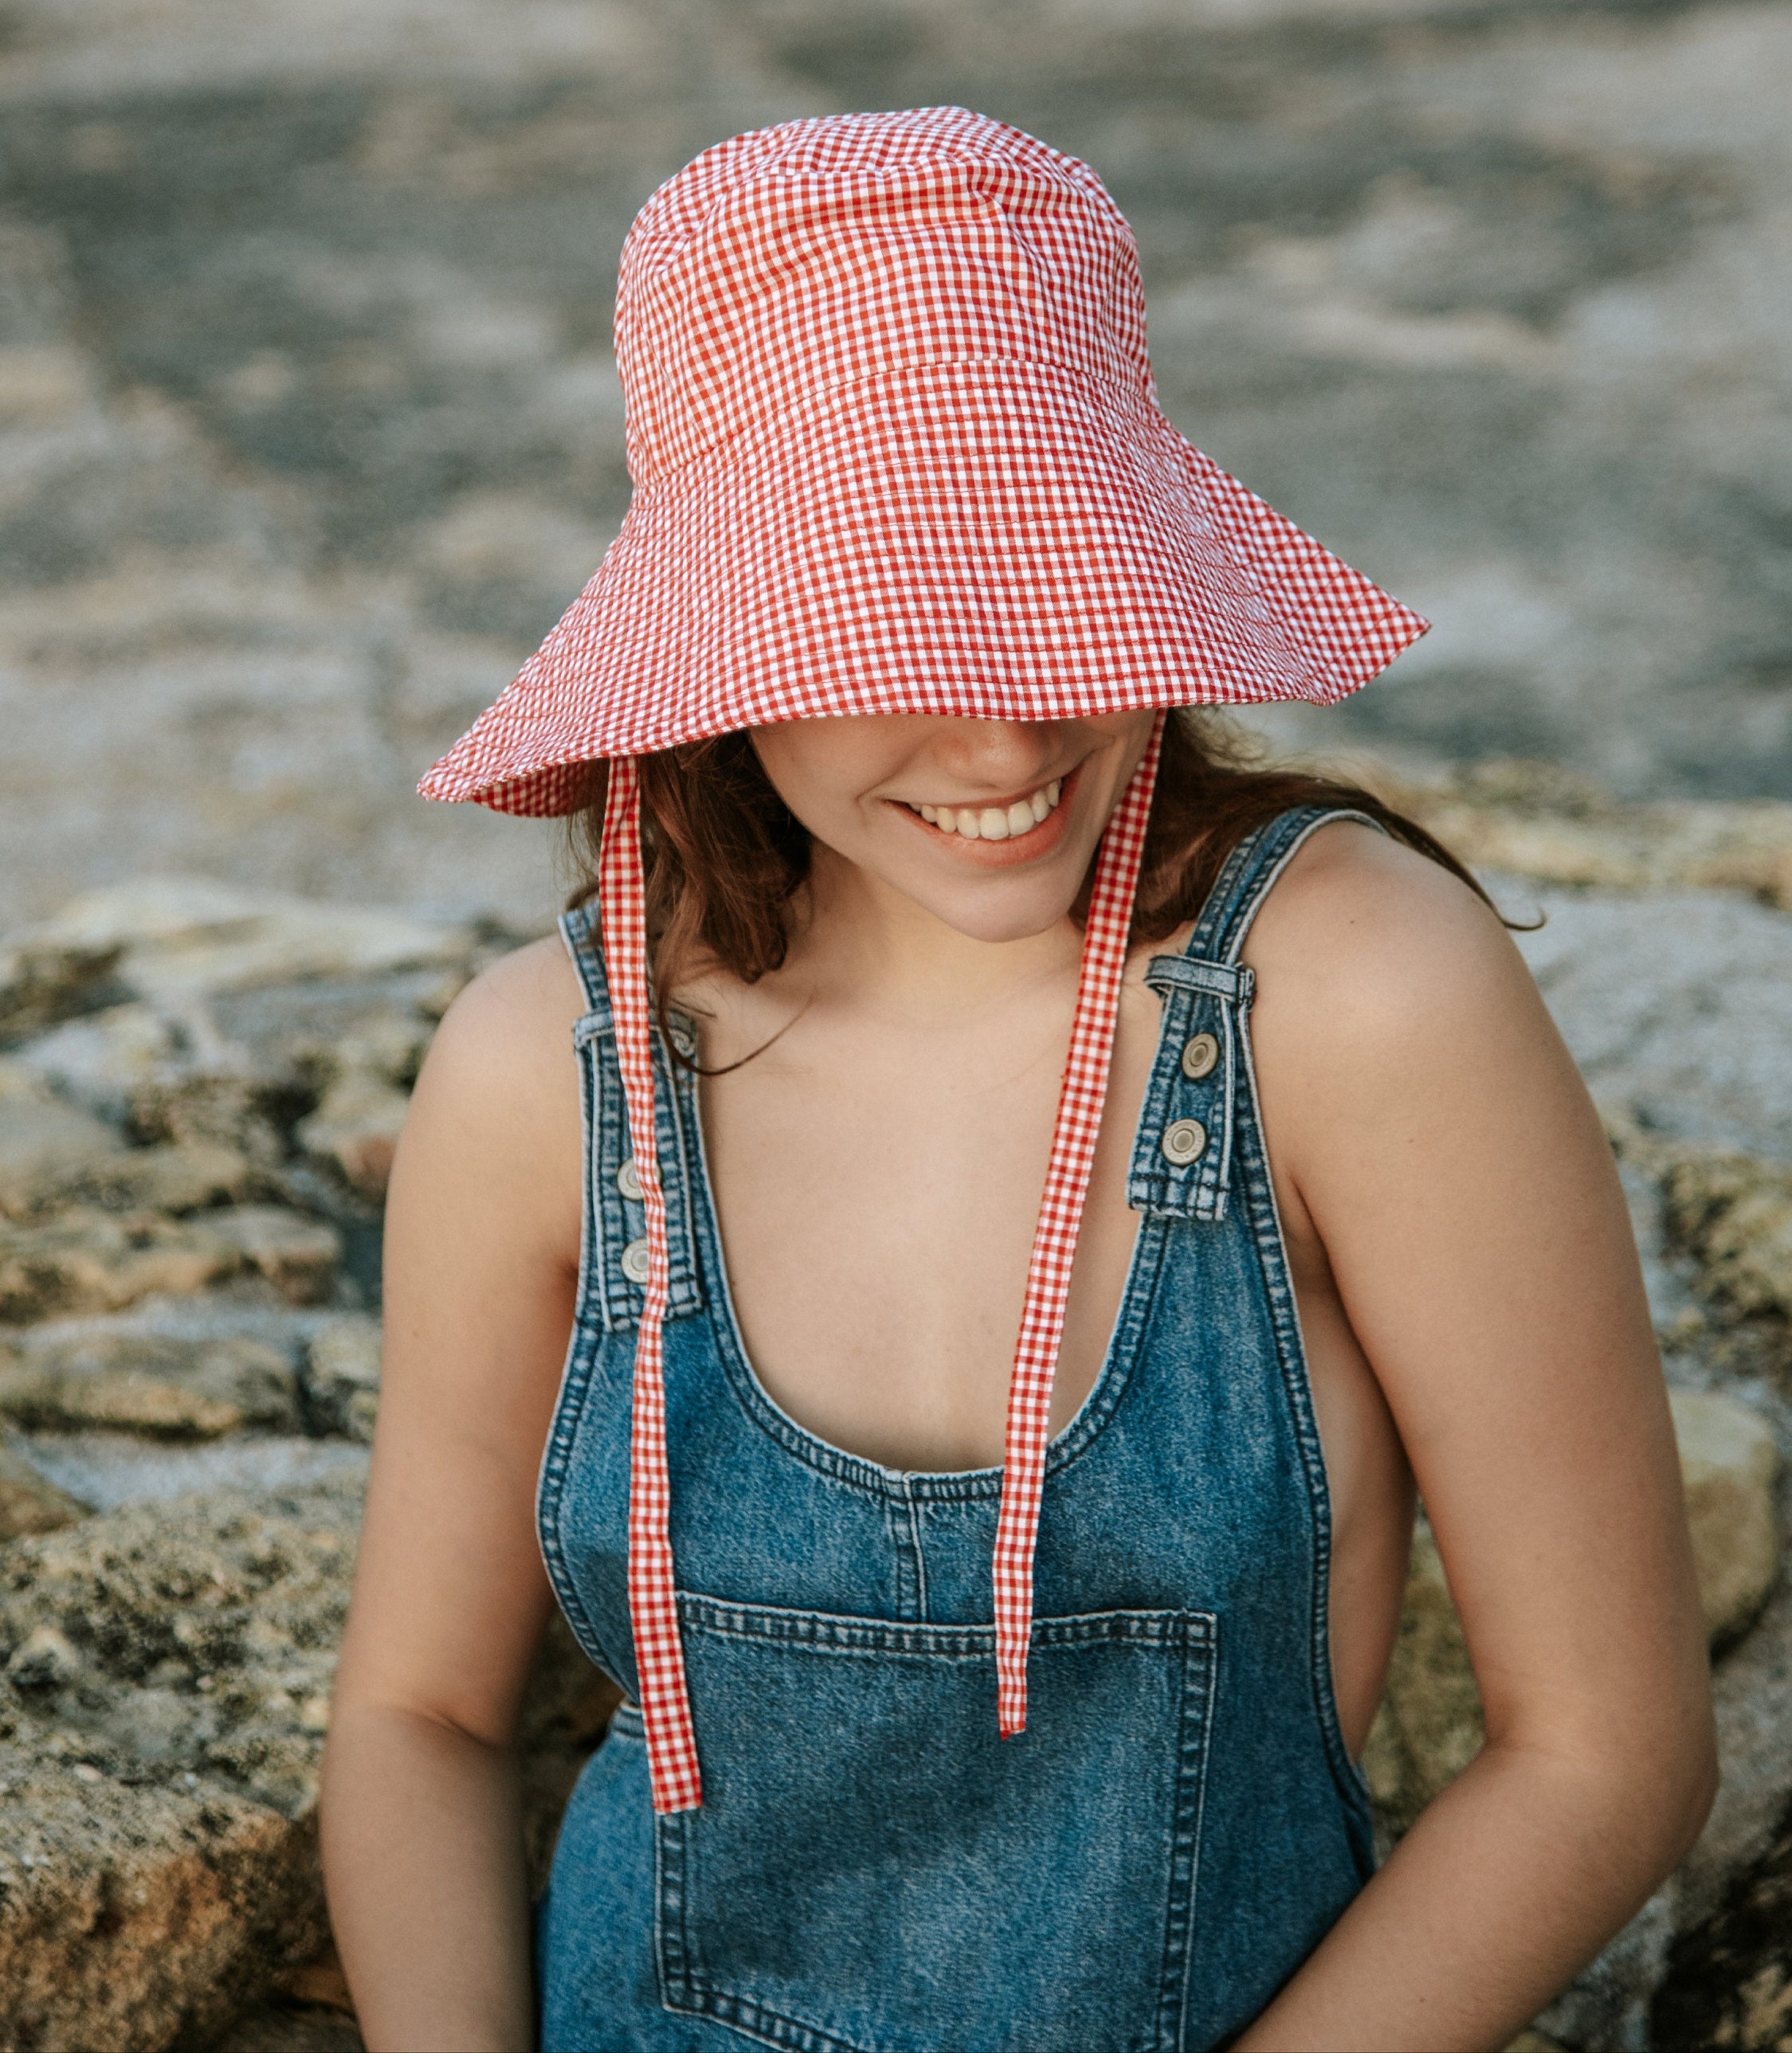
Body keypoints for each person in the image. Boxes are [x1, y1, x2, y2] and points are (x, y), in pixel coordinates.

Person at [320, 107, 1715, 2053]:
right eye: (889, 625)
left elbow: (1606, 1754)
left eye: (1058, 592)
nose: (1004, 734)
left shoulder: (1352, 998)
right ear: (724, 643)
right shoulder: (544, 1078)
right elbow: (422, 1719)